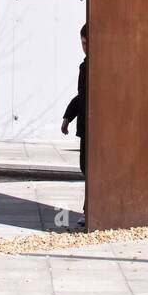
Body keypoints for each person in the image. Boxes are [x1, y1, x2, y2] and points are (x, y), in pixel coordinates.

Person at [61, 23, 88, 227]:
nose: (84, 47)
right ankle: (90, 210)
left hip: (95, 128)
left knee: (93, 169)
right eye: (82, 43)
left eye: (87, 43)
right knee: (86, 167)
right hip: (85, 128)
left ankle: (91, 210)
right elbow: (82, 97)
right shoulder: (85, 66)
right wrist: (68, 117)